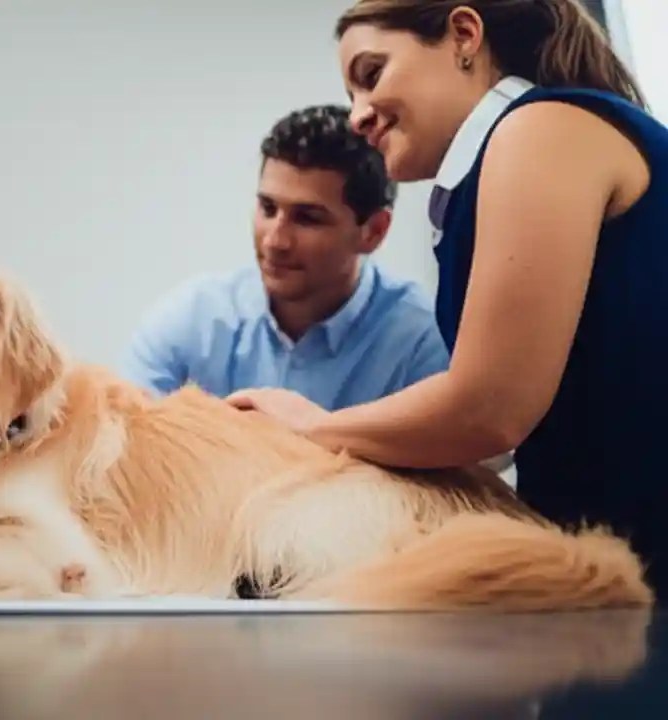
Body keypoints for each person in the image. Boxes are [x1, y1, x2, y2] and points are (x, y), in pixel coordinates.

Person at [228, 0, 668, 597]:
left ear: (463, 35)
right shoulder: (498, 169)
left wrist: (312, 428)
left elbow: (489, 408)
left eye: (370, 74)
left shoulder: (541, 128)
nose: (357, 116)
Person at [123, 104, 449, 413]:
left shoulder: (423, 345)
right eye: (268, 208)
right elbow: (128, 451)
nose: (275, 240)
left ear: (373, 231)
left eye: (307, 218)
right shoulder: (193, 320)